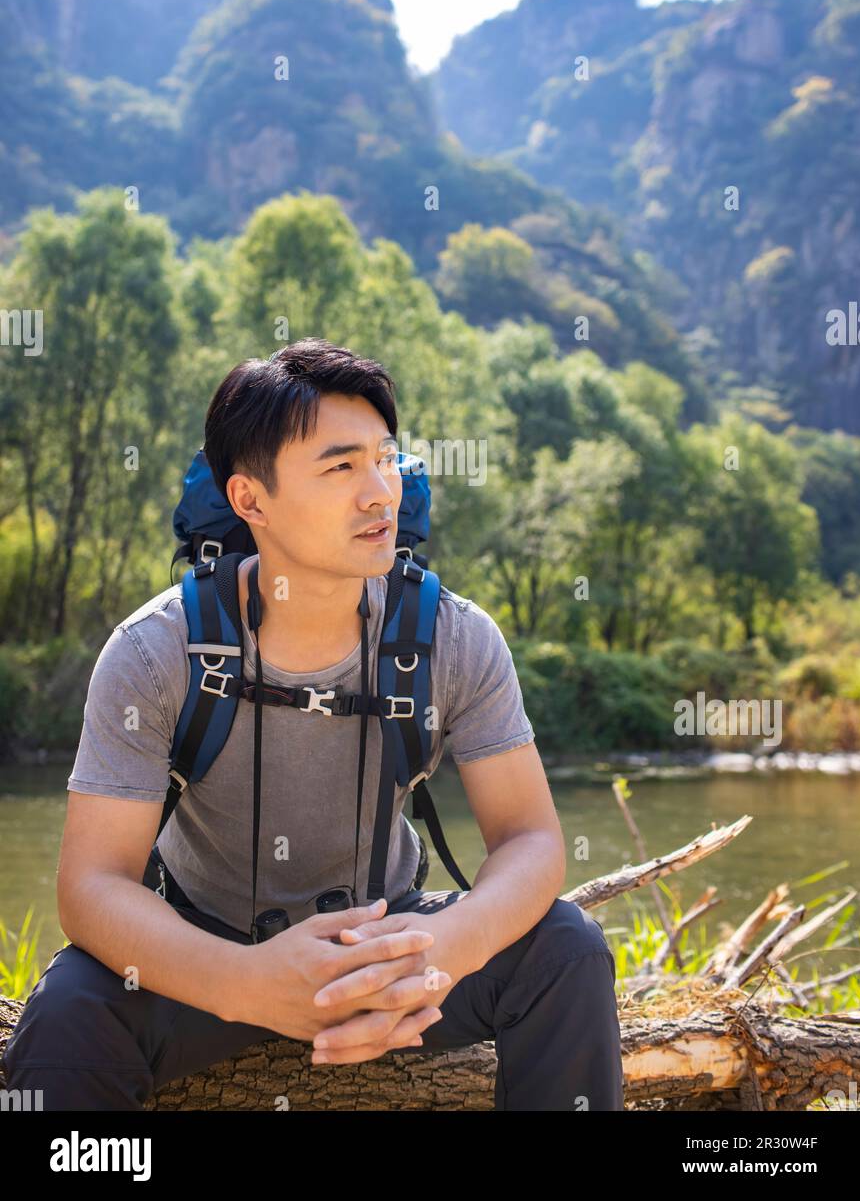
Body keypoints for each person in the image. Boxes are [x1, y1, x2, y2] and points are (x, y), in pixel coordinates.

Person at [2, 337, 623, 1112]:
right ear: (250, 500)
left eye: (385, 459)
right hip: (205, 951)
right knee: (70, 1015)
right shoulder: (155, 651)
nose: (379, 493)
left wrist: (440, 951)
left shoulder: (454, 638)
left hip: (392, 950)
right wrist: (248, 984)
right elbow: (91, 886)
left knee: (565, 950)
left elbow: (529, 838)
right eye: (340, 467)